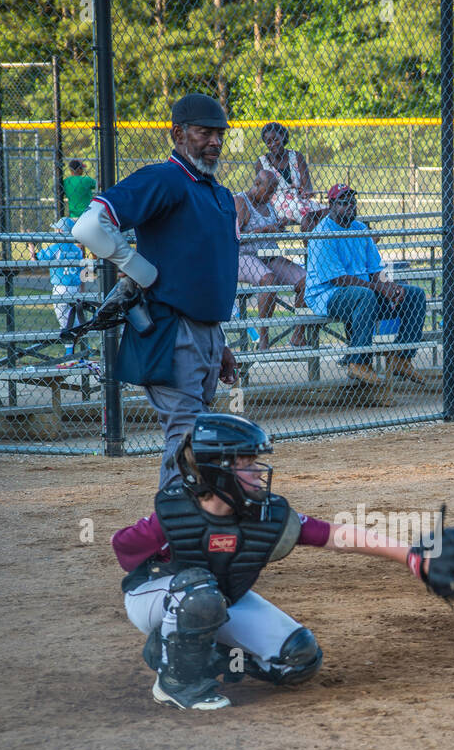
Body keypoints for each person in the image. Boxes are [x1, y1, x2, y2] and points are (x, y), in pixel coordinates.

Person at [112, 412, 454, 711]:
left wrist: (411, 559)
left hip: (215, 598)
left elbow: (333, 535)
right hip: (157, 598)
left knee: (297, 659)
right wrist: (175, 566)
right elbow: (124, 550)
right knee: (197, 592)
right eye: (246, 464)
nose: (258, 473)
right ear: (218, 471)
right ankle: (176, 683)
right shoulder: (175, 514)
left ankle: (191, 653)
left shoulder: (267, 516)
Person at [71, 93, 239, 488]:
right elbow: (88, 227)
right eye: (203, 132)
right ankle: (171, 533)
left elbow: (201, 271)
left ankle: (186, 528)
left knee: (196, 437)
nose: (214, 141)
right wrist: (138, 269)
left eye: (219, 134)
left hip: (205, 331)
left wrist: (220, 340)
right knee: (188, 437)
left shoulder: (215, 191)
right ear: (177, 133)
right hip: (170, 330)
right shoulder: (165, 178)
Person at [305, 184, 427, 392]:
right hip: (328, 296)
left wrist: (391, 286)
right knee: (367, 295)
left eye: (353, 202)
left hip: (363, 295)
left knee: (414, 295)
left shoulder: (360, 229)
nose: (350, 207)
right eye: (344, 203)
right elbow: (339, 280)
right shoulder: (322, 233)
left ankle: (402, 358)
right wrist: (380, 289)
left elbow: (375, 269)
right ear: (331, 205)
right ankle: (358, 361)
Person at [234, 168, 307, 350]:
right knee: (269, 280)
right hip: (244, 257)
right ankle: (263, 337)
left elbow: (272, 228)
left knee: (307, 280)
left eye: (274, 190)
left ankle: (298, 335)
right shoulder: (241, 201)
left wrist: (280, 225)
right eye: (269, 190)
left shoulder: (268, 204)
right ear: (257, 184)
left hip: (270, 256)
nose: (272, 195)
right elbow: (233, 236)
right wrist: (263, 231)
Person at [256, 122, 324, 231]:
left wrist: (307, 192)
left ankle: (320, 244)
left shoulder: (296, 156)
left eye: (276, 139)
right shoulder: (262, 162)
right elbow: (261, 193)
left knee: (327, 212)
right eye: (268, 142)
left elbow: (307, 186)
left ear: (282, 136)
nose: (273, 144)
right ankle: (310, 245)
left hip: (299, 200)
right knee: (307, 216)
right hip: (276, 203)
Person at [27, 216, 84, 330]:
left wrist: (30, 245)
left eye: (57, 229)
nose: (55, 231)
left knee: (65, 325)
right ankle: (81, 345)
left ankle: (69, 346)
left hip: (61, 289)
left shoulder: (56, 247)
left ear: (60, 231)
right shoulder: (77, 249)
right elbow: (83, 272)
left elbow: (35, 260)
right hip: (76, 288)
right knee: (76, 322)